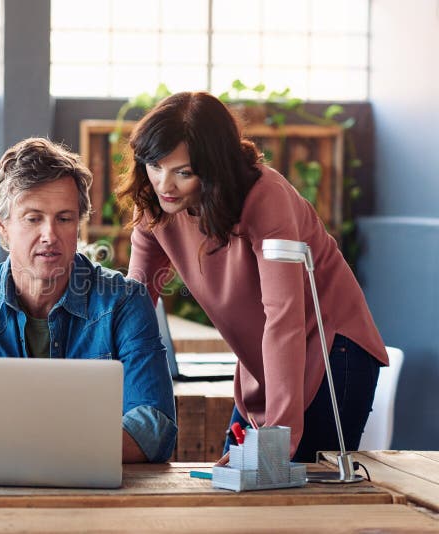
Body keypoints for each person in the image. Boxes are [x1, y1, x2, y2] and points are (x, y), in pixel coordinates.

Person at [116, 91, 388, 463]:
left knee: (293, 503)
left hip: (331, 350)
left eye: (184, 172)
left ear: (213, 168)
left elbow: (285, 318)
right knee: (235, 494)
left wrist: (275, 443)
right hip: (264, 363)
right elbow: (136, 309)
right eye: (155, 165)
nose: (165, 184)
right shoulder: (156, 205)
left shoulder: (266, 197)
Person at [0, 137, 177, 463]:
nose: (50, 235)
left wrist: (26, 448)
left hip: (99, 502)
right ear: (4, 228)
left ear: (78, 225)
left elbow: (154, 428)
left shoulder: (124, 303)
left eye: (64, 219)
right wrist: (70, 446)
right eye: (33, 218)